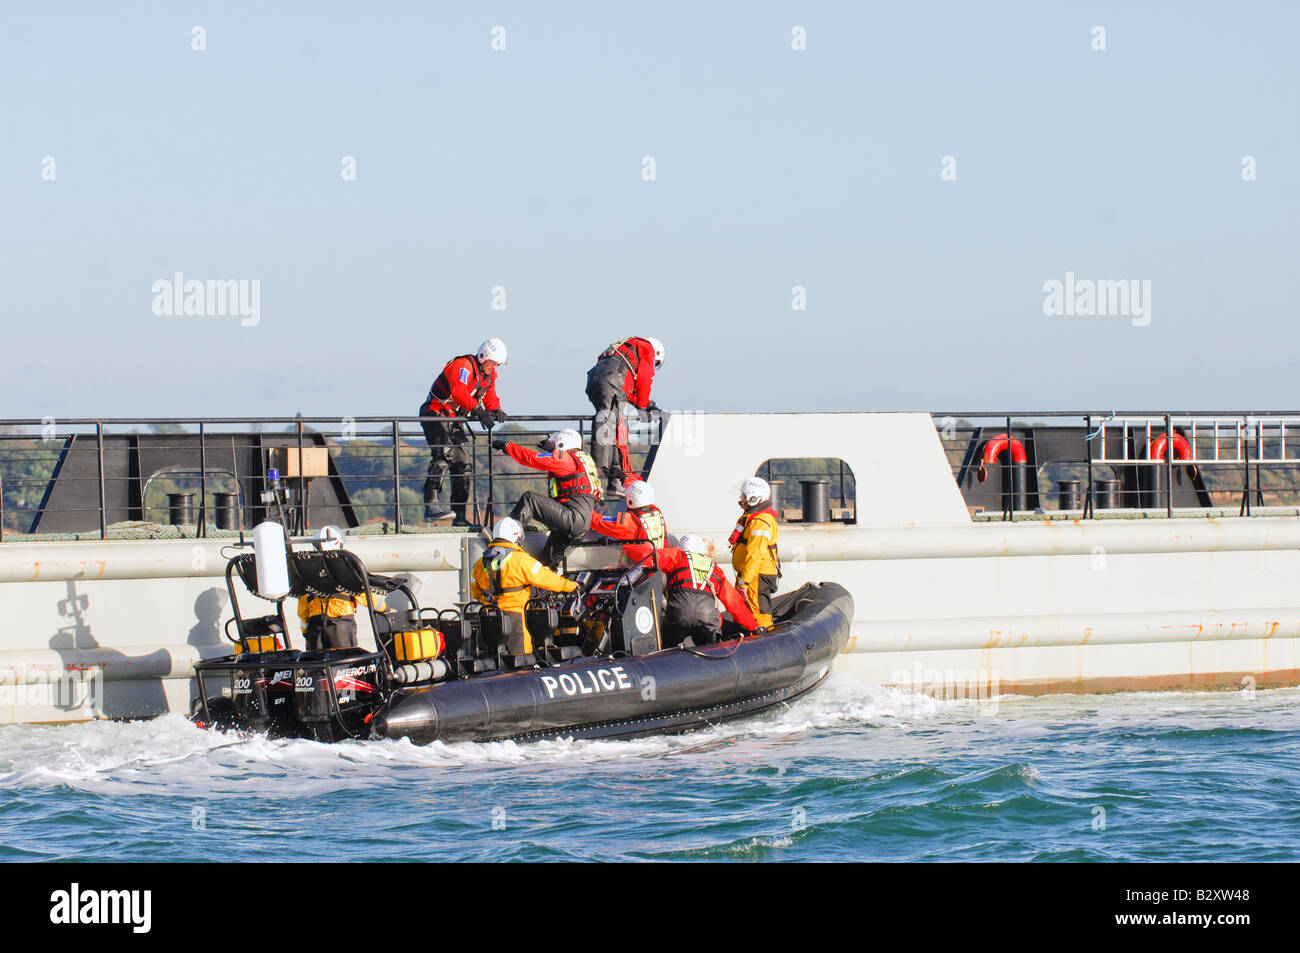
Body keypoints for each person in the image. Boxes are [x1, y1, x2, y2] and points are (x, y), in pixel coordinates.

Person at [419, 337, 509, 525]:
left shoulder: (490, 375)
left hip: (455, 419)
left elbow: (490, 395)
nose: (494, 368)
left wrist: (495, 409)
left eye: (497, 365)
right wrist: (478, 410)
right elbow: (458, 391)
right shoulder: (463, 366)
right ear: (483, 357)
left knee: (463, 464)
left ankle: (459, 515)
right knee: (443, 454)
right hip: (435, 413)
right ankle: (431, 504)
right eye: (493, 363)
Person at [492, 428, 601, 569]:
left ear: (562, 444)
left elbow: (532, 458)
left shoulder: (567, 459)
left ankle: (506, 538)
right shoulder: (586, 461)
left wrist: (507, 447)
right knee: (544, 567)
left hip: (571, 519)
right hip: (580, 524)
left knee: (529, 499)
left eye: (554, 445)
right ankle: (546, 590)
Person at [471, 517, 578, 657]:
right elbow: (547, 578)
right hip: (514, 617)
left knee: (494, 657)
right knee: (521, 658)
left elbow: (475, 590)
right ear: (516, 537)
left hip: (488, 615)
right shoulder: (521, 560)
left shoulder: (480, 562)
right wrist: (571, 586)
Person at [585, 336, 664, 498]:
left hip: (595, 380)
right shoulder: (646, 347)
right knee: (606, 429)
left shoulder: (623, 349)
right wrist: (643, 406)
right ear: (657, 353)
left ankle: (615, 482)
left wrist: (646, 403)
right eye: (656, 363)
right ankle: (594, 478)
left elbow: (626, 390)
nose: (653, 367)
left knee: (610, 429)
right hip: (611, 381)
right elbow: (644, 377)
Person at [657, 534, 756, 647]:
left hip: (679, 614)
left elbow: (650, 558)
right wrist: (753, 626)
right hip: (708, 617)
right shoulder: (714, 567)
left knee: (666, 643)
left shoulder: (676, 556)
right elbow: (733, 602)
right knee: (711, 648)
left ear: (680, 548)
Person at [297, 527, 386, 651]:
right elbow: (363, 593)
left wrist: (306, 630)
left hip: (315, 628)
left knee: (316, 666)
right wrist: (384, 608)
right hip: (341, 625)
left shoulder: (309, 572)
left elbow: (303, 607)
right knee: (345, 664)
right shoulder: (344, 571)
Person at [730, 476, 782, 629]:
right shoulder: (752, 517)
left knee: (759, 615)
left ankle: (764, 638)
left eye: (744, 496)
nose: (741, 499)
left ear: (754, 498)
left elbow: (756, 555)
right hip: (750, 575)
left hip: (756, 576)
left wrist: (744, 582)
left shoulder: (760, 522)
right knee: (746, 612)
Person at [588, 479, 666, 567]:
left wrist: (585, 503)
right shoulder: (656, 512)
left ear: (631, 501)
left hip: (635, 570)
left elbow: (597, 522)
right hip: (655, 566)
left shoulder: (630, 522)